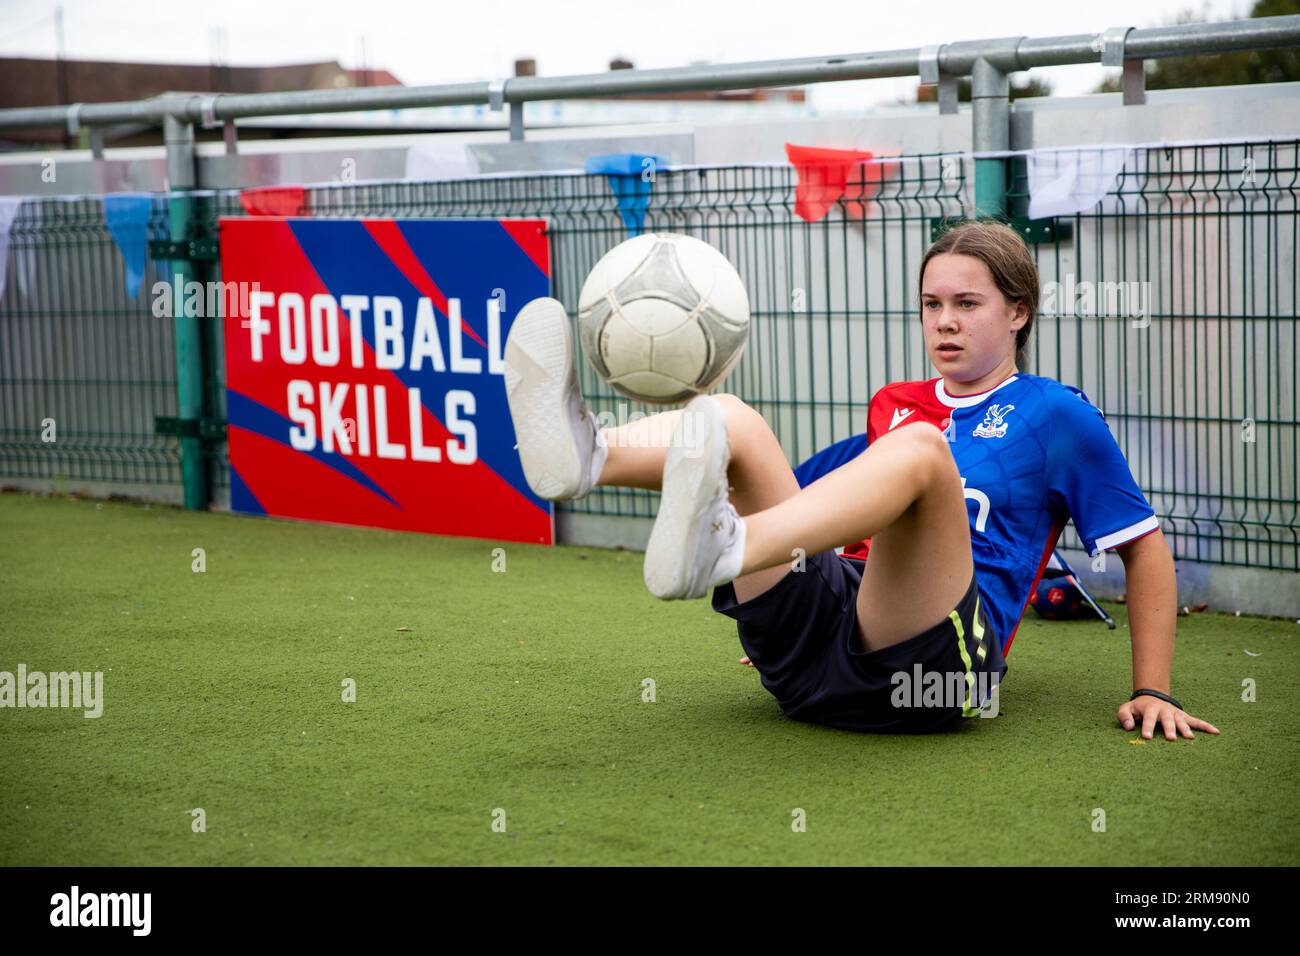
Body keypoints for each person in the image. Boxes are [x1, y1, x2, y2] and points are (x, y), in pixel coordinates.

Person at [502, 220, 1220, 740]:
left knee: (919, 450)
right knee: (732, 421)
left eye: (967, 305)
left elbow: (1143, 547)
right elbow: (795, 490)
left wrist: (1151, 688)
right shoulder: (897, 403)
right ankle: (589, 454)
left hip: (928, 678)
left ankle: (726, 548)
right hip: (806, 661)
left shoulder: (1055, 416)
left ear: (1019, 312)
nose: (945, 322)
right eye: (932, 305)